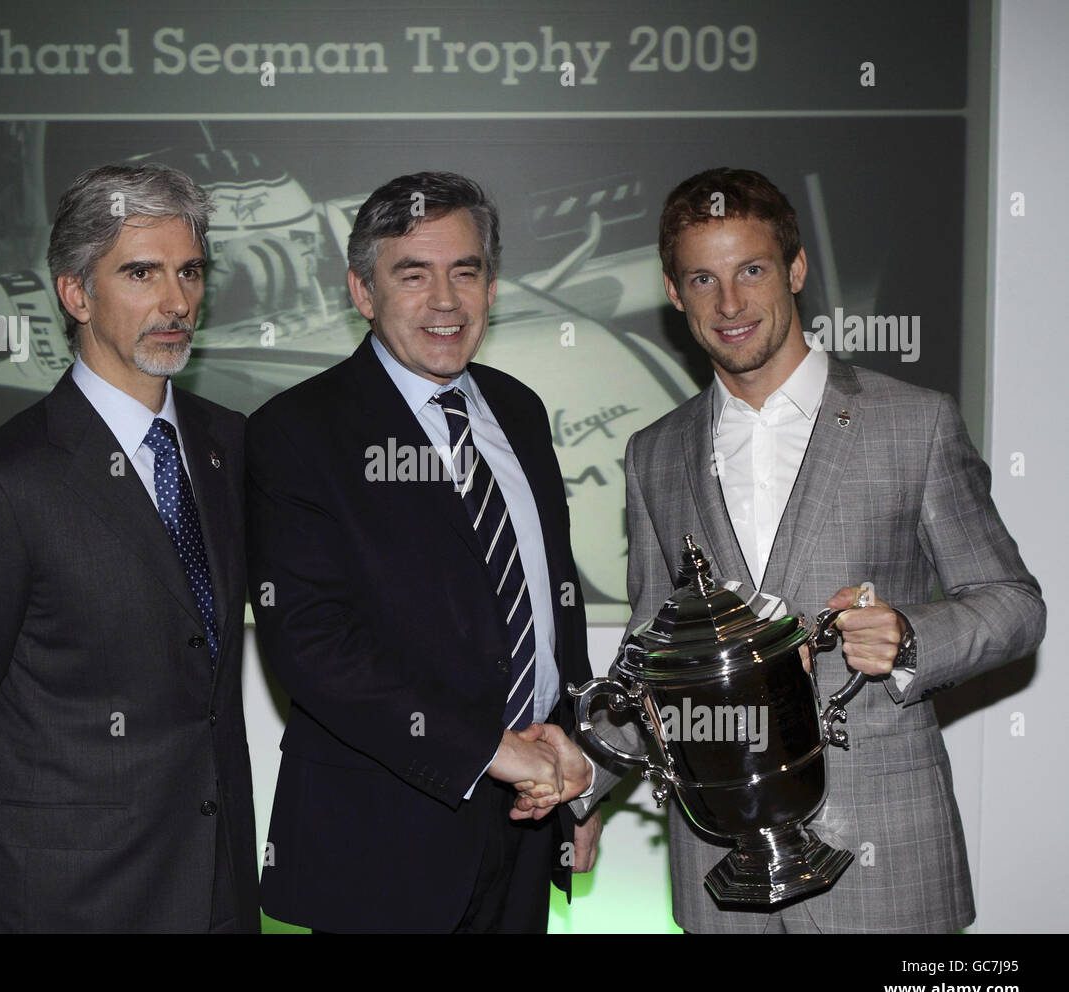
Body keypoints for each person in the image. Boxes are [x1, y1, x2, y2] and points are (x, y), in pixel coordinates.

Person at [562, 167, 1045, 933]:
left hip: (883, 857)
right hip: (718, 869)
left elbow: (1015, 606)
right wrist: (582, 772)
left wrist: (913, 635)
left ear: (795, 268)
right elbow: (652, 653)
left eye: (751, 270)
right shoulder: (654, 453)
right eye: (702, 278)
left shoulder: (913, 422)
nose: (728, 304)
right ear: (673, 291)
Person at [0, 164, 258, 932]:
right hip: (63, 903)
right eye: (141, 273)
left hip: (219, 894)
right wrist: (20, 851)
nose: (176, 302)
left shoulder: (231, 447)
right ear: (74, 293)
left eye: (189, 271)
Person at [247, 171, 599, 933]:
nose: (445, 302)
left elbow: (549, 611)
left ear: (491, 287)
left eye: (464, 272)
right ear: (363, 292)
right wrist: (491, 751)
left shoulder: (520, 410)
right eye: (413, 275)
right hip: (382, 846)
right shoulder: (297, 432)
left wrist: (577, 779)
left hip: (530, 824)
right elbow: (311, 643)